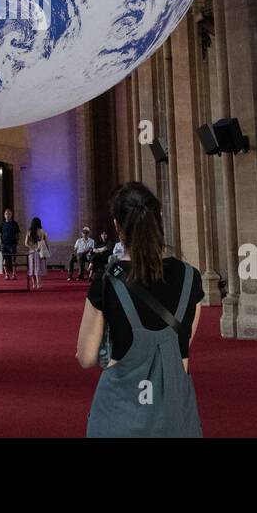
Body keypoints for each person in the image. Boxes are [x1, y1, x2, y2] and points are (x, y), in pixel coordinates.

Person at [77, 182, 204, 437]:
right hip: (174, 416)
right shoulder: (191, 278)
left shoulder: (107, 280)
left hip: (119, 416)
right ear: (158, 218)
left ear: (117, 225)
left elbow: (86, 357)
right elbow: (182, 341)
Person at [24, 217, 49, 289]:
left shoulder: (29, 231)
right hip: (39, 252)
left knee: (32, 268)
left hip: (31, 252)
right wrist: (47, 251)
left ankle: (33, 284)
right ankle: (39, 283)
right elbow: (46, 242)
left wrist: (32, 247)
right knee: (38, 268)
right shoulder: (42, 231)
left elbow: (26, 243)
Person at [0, 209, 21, 280]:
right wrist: (1, 243)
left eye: (9, 213)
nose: (7, 215)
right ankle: (6, 274)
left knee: (13, 260)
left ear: (11, 215)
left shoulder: (15, 223)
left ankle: (14, 274)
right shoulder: (2, 224)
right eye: (6, 213)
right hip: (4, 245)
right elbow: (0, 235)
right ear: (4, 215)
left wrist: (17, 243)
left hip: (13, 244)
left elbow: (17, 234)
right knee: (5, 260)